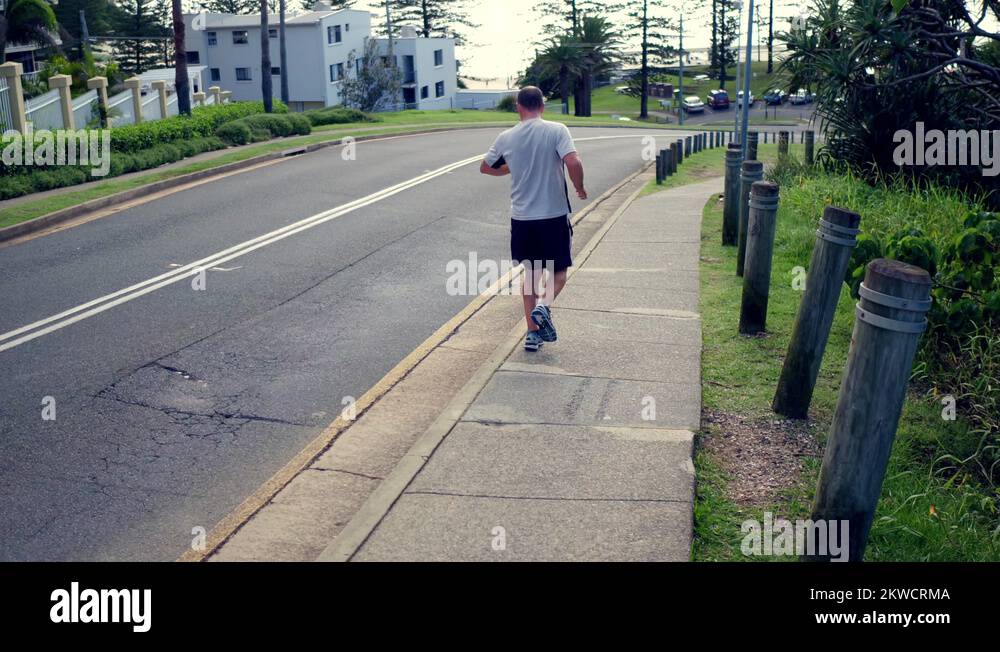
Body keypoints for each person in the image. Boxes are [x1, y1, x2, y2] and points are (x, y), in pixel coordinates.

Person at [480, 86, 587, 352]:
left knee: (531, 274)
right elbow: (572, 161)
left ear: (518, 106)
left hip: (522, 219)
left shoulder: (506, 136)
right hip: (552, 215)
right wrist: (580, 187)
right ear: (542, 105)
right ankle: (543, 307)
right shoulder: (557, 130)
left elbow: (485, 167)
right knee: (559, 272)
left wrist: (512, 168)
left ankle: (532, 333)